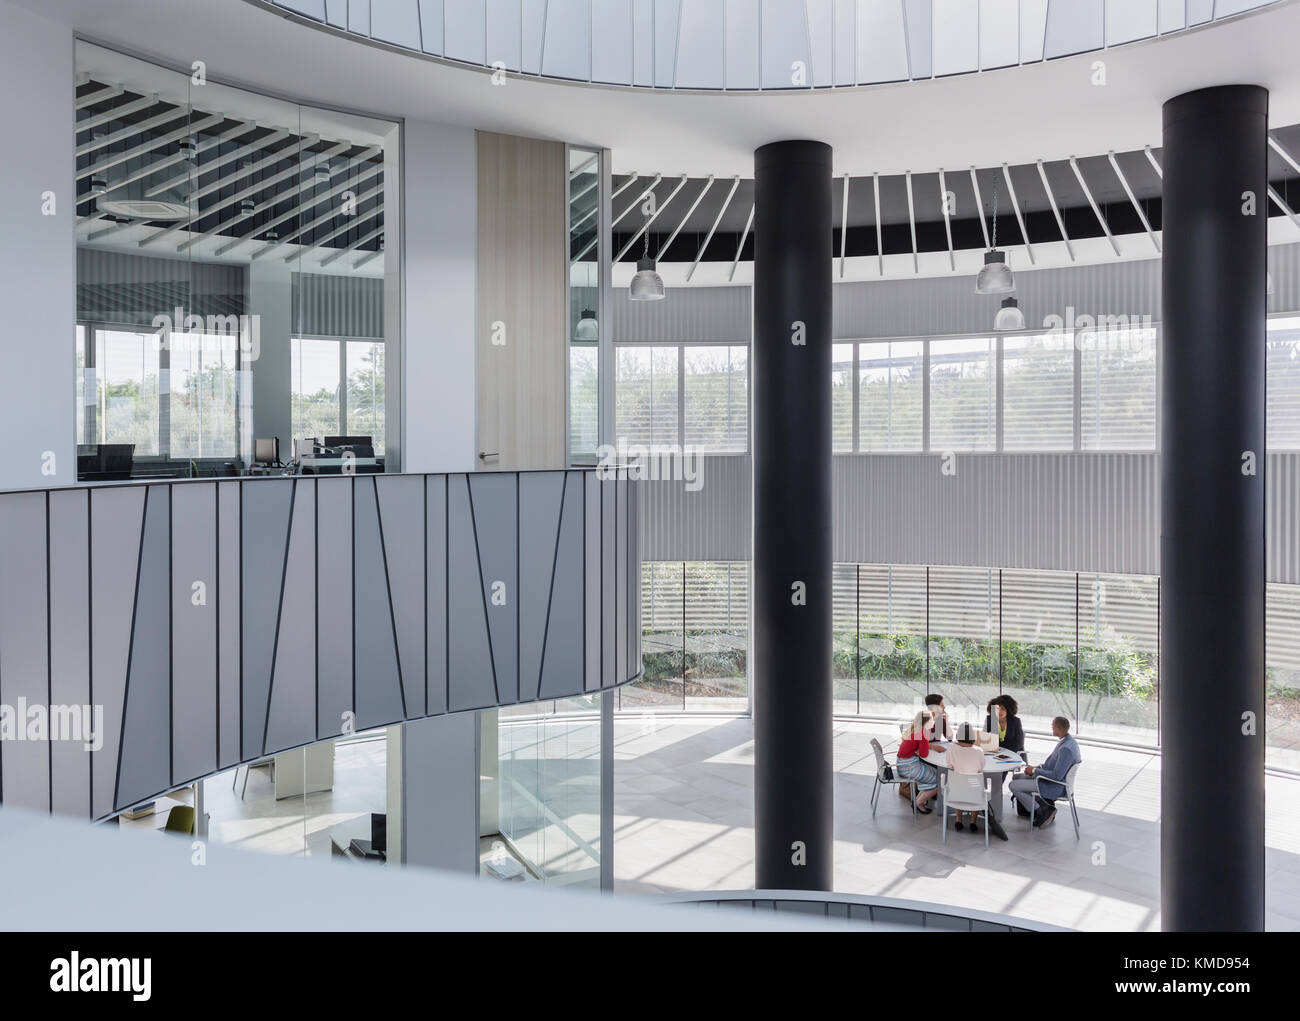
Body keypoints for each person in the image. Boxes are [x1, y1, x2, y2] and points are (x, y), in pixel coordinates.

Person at [1008, 716, 1081, 827]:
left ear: (1058, 728)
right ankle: (1035, 807)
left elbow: (1057, 776)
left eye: (1053, 725)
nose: (1051, 727)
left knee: (1013, 785)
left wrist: (1035, 771)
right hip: (1049, 779)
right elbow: (1053, 765)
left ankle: (1042, 809)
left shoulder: (1066, 749)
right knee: (1016, 777)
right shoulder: (1068, 741)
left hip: (1054, 785)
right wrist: (1035, 768)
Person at [895, 711, 940, 813]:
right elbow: (924, 754)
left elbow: (921, 752)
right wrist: (923, 749)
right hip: (909, 767)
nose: (933, 721)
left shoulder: (915, 729)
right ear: (927, 721)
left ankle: (918, 801)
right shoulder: (924, 732)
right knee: (940, 780)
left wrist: (920, 750)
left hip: (902, 764)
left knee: (935, 772)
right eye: (932, 719)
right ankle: (917, 803)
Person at [946, 721, 986, 832]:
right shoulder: (979, 751)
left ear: (958, 736)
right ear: (973, 737)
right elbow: (981, 768)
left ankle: (959, 820)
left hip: (956, 792)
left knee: (958, 784)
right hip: (974, 791)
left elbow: (949, 765)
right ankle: (973, 822)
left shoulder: (952, 748)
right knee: (977, 787)